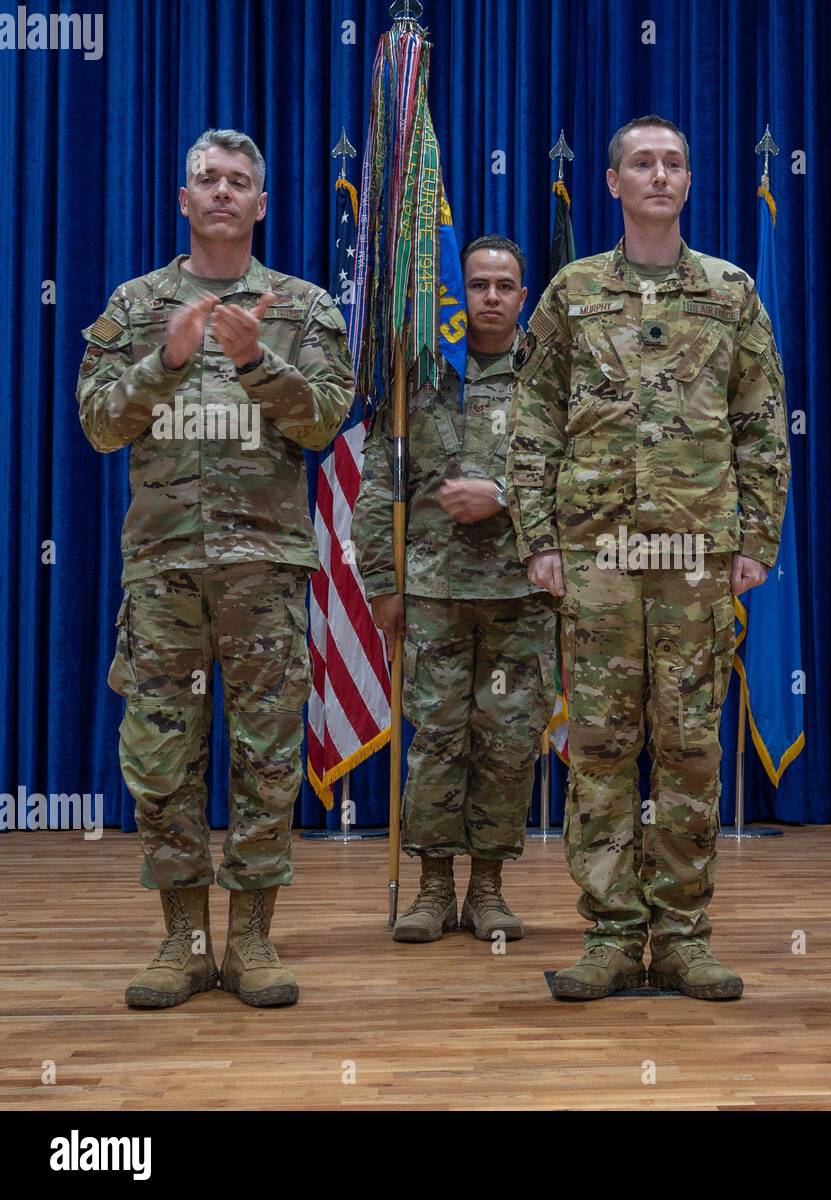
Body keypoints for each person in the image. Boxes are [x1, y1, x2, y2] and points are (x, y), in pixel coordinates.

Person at [508, 115, 790, 1000]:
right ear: (613, 182)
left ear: (690, 181)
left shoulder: (731, 292)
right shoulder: (571, 293)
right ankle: (611, 935)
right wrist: (539, 541)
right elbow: (532, 421)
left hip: (697, 557)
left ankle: (683, 934)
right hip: (594, 557)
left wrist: (757, 539)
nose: (659, 175)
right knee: (596, 748)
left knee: (689, 747)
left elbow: (760, 422)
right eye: (642, 162)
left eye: (673, 161)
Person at [77, 128, 353, 1008]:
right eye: (208, 179)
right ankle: (183, 943)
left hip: (263, 571)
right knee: (162, 760)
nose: (223, 192)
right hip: (162, 570)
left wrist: (249, 357)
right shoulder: (136, 304)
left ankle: (254, 941)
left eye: (240, 181)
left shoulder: (303, 308)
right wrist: (166, 359)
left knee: (267, 758)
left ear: (262, 204)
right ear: (184, 199)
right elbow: (97, 424)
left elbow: (323, 424)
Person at [356, 235, 553, 946]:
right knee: (436, 742)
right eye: (478, 284)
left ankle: (490, 888)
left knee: (506, 743)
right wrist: (381, 582)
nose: (491, 297)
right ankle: (434, 886)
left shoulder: (549, 373)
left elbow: (582, 478)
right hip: (433, 592)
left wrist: (503, 497)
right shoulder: (420, 373)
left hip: (521, 596)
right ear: (457, 292)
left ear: (524, 295)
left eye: (505, 284)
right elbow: (381, 486)